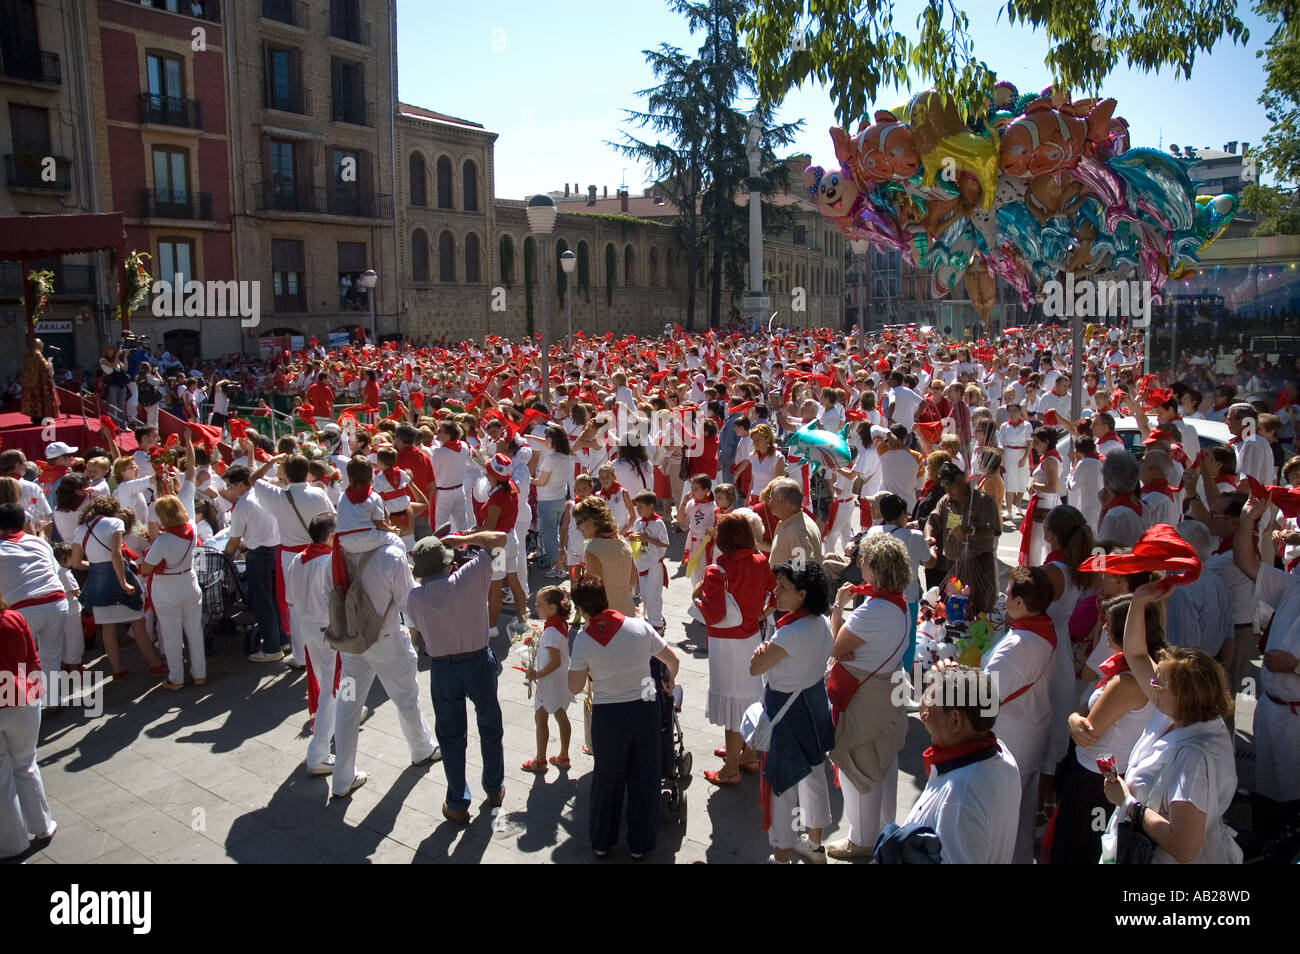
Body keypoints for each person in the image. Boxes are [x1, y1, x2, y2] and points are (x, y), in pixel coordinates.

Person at [1100, 580, 1242, 863]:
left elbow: (1184, 846)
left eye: (1158, 681)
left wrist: (1128, 803)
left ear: (1183, 694)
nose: (1150, 683)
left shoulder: (1193, 758)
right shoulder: (1180, 712)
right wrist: (1139, 600)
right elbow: (1137, 654)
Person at [567, 577, 680, 859]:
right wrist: (669, 683)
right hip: (644, 709)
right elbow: (672, 660)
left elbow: (574, 687)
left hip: (608, 715)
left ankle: (602, 841)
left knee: (607, 779)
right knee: (644, 777)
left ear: (581, 610)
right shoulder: (639, 626)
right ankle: (640, 844)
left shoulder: (583, 641)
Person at [329, 524, 437, 799]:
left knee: (348, 703)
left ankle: (341, 777)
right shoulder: (391, 554)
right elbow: (407, 601)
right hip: (387, 641)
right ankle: (421, 748)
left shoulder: (336, 552)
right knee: (405, 696)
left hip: (352, 644)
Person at [405, 530, 506, 824]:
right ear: (448, 561)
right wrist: (466, 538)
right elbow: (498, 537)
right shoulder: (470, 575)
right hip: (477, 661)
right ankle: (494, 787)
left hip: (443, 667)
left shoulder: (415, 598)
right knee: (490, 725)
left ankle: (458, 801)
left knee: (450, 736)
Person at [1052, 596, 1162, 864]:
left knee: (1079, 853)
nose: (1102, 629)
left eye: (1108, 625)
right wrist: (1073, 718)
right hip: (1103, 777)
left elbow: (1087, 734)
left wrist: (1074, 720)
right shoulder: (1141, 670)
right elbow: (1082, 711)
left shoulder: (1126, 681)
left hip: (1094, 782)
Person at [825, 533, 911, 860]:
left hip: (865, 697)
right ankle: (883, 827)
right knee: (884, 762)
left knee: (859, 765)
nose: (859, 562)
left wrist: (838, 608)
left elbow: (835, 646)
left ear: (876, 569)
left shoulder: (873, 610)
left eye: (864, 559)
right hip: (887, 690)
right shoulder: (899, 602)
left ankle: (861, 839)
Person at [749, 560, 835, 864]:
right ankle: (814, 845)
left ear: (802, 594)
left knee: (782, 786)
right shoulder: (822, 623)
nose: (776, 592)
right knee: (814, 776)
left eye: (783, 587)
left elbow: (754, 667)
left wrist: (762, 651)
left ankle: (782, 856)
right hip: (814, 708)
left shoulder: (789, 634)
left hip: (786, 717)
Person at [901, 666, 1021, 864]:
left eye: (930, 703)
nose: (923, 715)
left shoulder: (961, 794)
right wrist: (946, 680)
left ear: (955, 720)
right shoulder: (1001, 754)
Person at [694, 513, 777, 787]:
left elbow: (714, 614)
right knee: (749, 697)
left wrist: (698, 599)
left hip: (725, 643)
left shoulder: (716, 571)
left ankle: (731, 768)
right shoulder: (761, 562)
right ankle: (749, 754)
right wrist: (762, 614)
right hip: (751, 636)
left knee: (731, 701)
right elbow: (775, 592)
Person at [982, 565, 1057, 864]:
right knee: (1020, 819)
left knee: (1002, 824)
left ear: (1020, 603)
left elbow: (985, 694)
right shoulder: (1040, 627)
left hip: (1011, 738)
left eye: (1009, 593)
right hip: (1028, 732)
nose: (1004, 596)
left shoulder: (1020, 644)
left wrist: (942, 684)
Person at [1231, 494, 1300, 802]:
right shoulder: (1294, 585)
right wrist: (1248, 519)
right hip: (1271, 708)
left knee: (1292, 802)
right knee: (1269, 797)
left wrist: (1295, 666)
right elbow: (1246, 563)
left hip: (1296, 716)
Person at [73, 496, 166, 681]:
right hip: (119, 576)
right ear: (113, 509)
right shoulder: (115, 522)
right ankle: (155, 665)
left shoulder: (80, 529)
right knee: (138, 621)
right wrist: (123, 582)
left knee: (107, 628)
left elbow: (76, 562)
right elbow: (116, 554)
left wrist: (97, 566)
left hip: (97, 580)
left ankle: (117, 670)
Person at [282, 513, 341, 775]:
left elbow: (291, 600)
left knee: (327, 685)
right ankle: (318, 753)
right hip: (328, 629)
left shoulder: (298, 559)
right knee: (331, 689)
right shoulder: (329, 562)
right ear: (330, 536)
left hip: (308, 629)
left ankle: (333, 725)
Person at [0, 599, 56, 859]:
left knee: (3, 776)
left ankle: (13, 843)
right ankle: (42, 826)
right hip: (23, 696)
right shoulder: (13, 618)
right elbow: (33, 660)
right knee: (26, 763)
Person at [0, 504, 72, 706]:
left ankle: (28, 704)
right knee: (51, 653)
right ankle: (52, 701)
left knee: (19, 658)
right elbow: (56, 571)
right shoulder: (39, 542)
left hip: (23, 607)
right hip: (56, 600)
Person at [221, 463, 287, 662]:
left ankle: (271, 647)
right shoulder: (268, 495)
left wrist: (226, 555)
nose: (229, 490)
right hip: (276, 550)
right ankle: (282, 639)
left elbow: (233, 541)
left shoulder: (243, 505)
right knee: (276, 599)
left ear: (242, 484)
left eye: (231, 486)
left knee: (263, 602)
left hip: (259, 554)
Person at [139, 495, 204, 690]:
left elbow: (146, 569)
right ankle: (200, 673)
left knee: (171, 634)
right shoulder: (192, 527)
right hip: (189, 581)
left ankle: (176, 678)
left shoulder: (163, 540)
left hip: (167, 586)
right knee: (194, 631)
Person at [869, 492, 937, 670]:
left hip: (878, 595)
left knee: (881, 638)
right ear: (902, 514)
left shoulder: (873, 532)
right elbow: (929, 562)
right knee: (906, 641)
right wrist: (933, 550)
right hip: (907, 599)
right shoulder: (914, 536)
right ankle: (904, 677)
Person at [925, 463, 1000, 615]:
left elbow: (993, 529)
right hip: (954, 564)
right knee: (956, 609)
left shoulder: (982, 500)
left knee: (981, 609)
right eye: (945, 487)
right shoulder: (946, 501)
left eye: (950, 486)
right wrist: (929, 536)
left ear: (962, 481)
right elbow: (932, 520)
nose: (947, 490)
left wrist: (970, 531)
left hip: (979, 562)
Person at [522, 585, 574, 773]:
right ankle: (564, 755)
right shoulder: (559, 624)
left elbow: (554, 661)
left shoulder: (551, 632)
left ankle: (541, 760)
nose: (536, 607)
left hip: (549, 682)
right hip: (560, 681)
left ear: (552, 608)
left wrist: (537, 674)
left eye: (539, 604)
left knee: (540, 717)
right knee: (560, 715)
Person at [573, 496, 636, 616]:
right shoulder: (624, 543)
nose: (577, 527)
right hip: (628, 613)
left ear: (593, 519)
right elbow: (633, 582)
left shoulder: (594, 549)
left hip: (607, 619)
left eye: (579, 522)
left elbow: (594, 593)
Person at [532, 425, 573, 577]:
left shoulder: (550, 459)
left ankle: (559, 567)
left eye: (548, 437)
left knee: (549, 534)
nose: (545, 440)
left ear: (553, 440)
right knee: (556, 533)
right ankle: (561, 563)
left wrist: (529, 479)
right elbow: (546, 444)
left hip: (547, 499)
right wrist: (530, 438)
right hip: (560, 498)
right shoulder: (566, 455)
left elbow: (541, 481)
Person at [1019, 426, 1063, 566]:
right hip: (1045, 504)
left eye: (1037, 443)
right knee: (1041, 543)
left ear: (1047, 442)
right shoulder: (1052, 457)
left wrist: (1034, 486)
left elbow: (1053, 487)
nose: (1034, 446)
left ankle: (1037, 573)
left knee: (1037, 544)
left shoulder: (1050, 461)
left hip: (1044, 505)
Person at [629, 490, 669, 632]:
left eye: (641, 506)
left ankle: (656, 624)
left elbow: (665, 544)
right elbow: (636, 546)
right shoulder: (638, 523)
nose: (638, 510)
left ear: (651, 506)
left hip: (654, 564)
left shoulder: (658, 523)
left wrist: (649, 539)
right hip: (641, 564)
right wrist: (634, 541)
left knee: (654, 594)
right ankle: (657, 617)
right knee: (645, 595)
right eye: (637, 507)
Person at [766, 477, 822, 570]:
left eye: (771, 498)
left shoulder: (796, 531)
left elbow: (800, 571)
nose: (769, 502)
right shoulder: (795, 522)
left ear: (782, 501)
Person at [1097, 450, 1145, 547]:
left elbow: (1103, 554)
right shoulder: (1142, 505)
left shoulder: (1114, 516)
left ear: (1106, 480)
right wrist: (1104, 509)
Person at [20, 339, 57, 426]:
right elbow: (45, 366)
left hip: (30, 382)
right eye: (41, 345)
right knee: (41, 399)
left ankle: (35, 417)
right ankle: (41, 418)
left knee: (34, 400)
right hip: (40, 383)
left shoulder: (27, 354)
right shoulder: (37, 353)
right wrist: (49, 363)